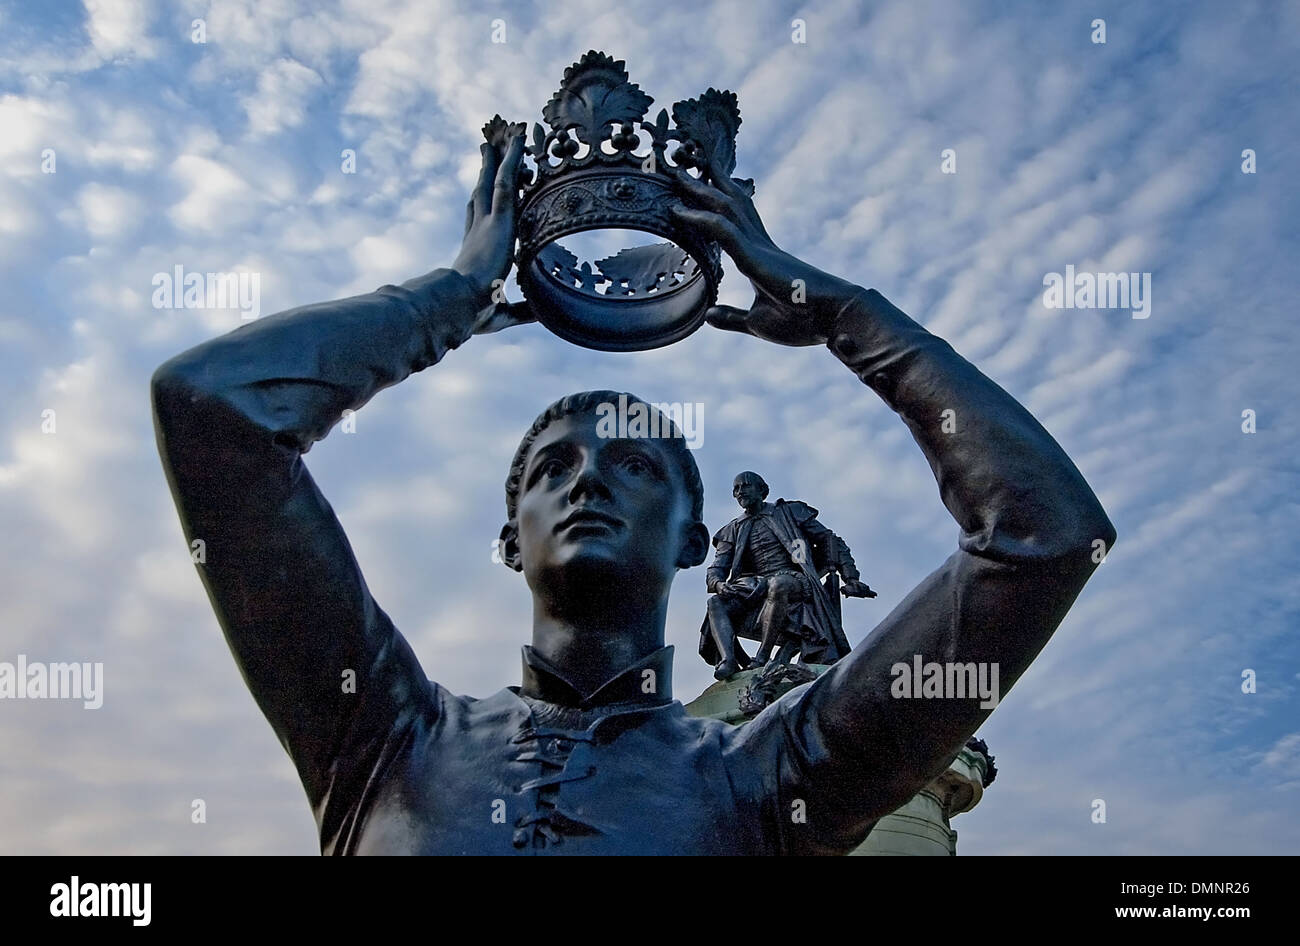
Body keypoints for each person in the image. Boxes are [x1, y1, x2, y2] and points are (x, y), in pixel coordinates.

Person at [151, 131, 1116, 854]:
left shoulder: (770, 775)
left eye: (639, 465)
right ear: (507, 536)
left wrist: (837, 310)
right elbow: (212, 409)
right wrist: (452, 297)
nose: (591, 481)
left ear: (699, 544)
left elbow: (1046, 536)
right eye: (552, 468)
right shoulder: (381, 736)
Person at [700, 471, 875, 681]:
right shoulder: (732, 529)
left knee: (778, 584)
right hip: (753, 585)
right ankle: (728, 661)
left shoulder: (789, 511)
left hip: (794, 578)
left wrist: (851, 577)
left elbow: (831, 540)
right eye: (736, 489)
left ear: (762, 490)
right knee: (716, 603)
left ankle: (763, 656)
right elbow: (716, 568)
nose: (740, 492)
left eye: (745, 486)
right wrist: (718, 584)